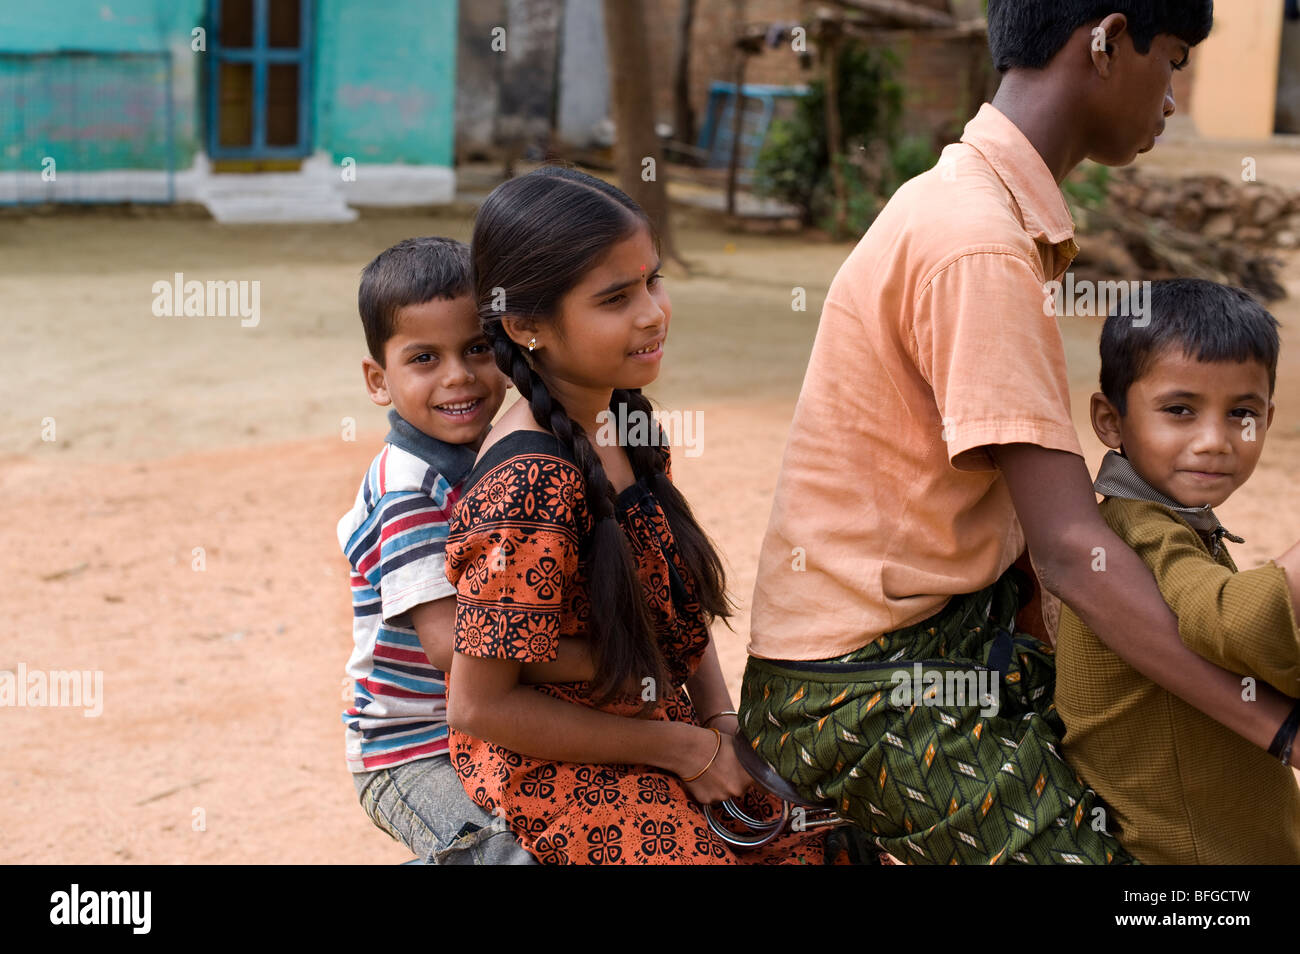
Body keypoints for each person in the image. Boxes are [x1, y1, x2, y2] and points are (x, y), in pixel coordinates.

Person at [738, 0, 1297, 865]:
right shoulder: (979, 243)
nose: (1174, 96)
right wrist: (1281, 730)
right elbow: (1075, 551)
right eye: (1175, 59)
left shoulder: (976, 210)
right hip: (862, 685)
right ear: (1107, 43)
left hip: (954, 639)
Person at [443, 165, 840, 864]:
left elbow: (674, 612)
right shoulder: (529, 485)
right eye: (615, 298)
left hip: (654, 722)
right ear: (526, 325)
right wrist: (684, 748)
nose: (653, 311)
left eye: (652, 281)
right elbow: (480, 707)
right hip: (554, 760)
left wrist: (720, 720)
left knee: (823, 837)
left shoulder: (622, 419)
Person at [338, 237, 592, 864]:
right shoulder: (409, 485)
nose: (458, 376)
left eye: (477, 349)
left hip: (496, 722)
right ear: (379, 380)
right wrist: (596, 660)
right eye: (424, 357)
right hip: (412, 743)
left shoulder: (511, 453)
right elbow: (450, 645)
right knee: (499, 854)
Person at [1055, 279, 1300, 864]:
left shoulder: (1172, 521)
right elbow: (1234, 623)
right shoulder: (1140, 528)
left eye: (1241, 413)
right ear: (1110, 422)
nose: (1214, 441)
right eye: (1179, 410)